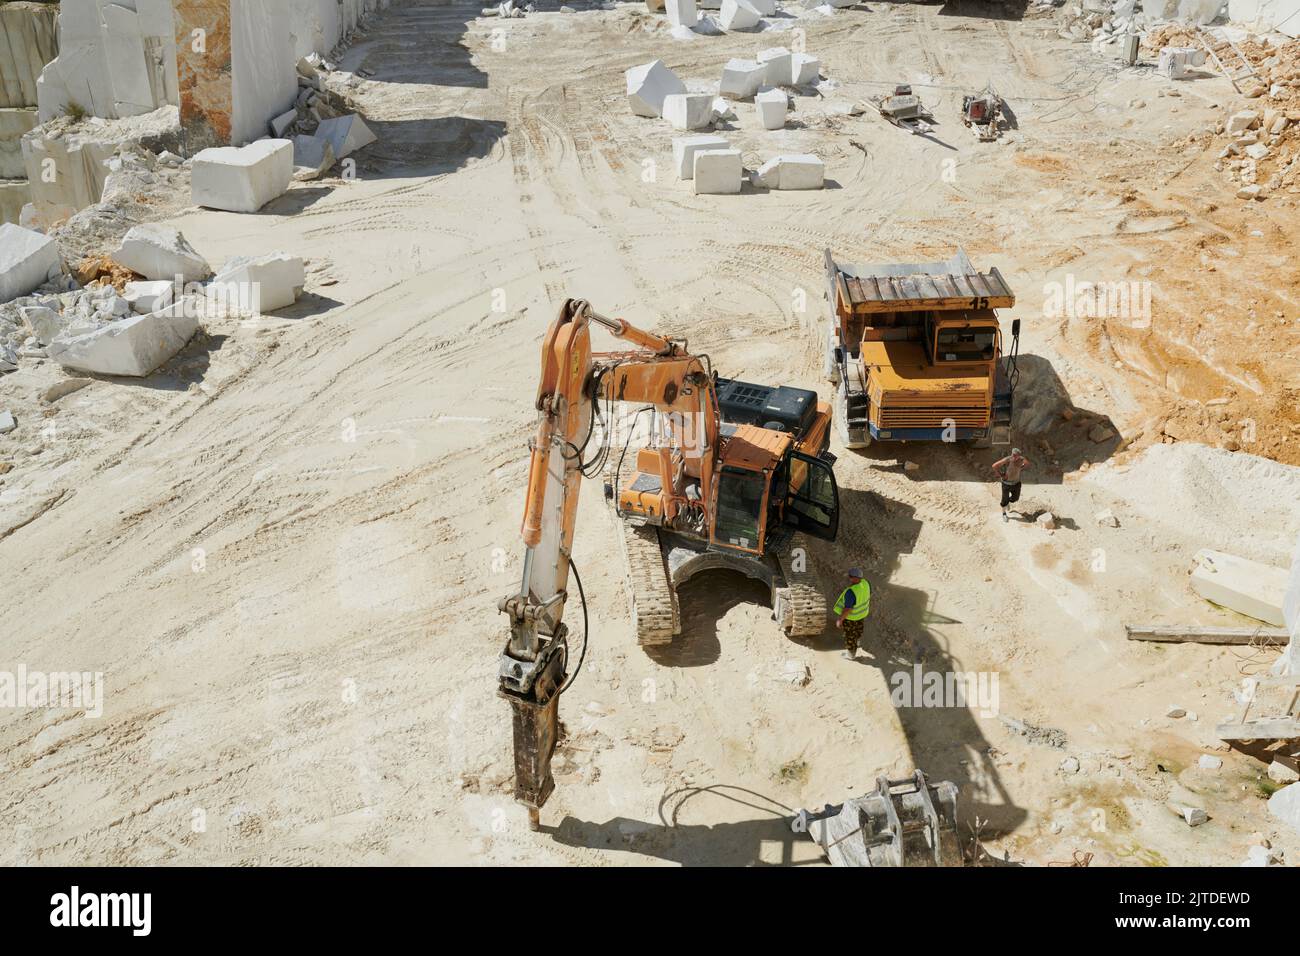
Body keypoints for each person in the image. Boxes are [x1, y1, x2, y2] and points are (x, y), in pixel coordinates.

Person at [833, 568, 871, 660]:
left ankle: (851, 655)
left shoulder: (851, 592)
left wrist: (840, 620)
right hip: (862, 614)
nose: (849, 578)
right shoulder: (866, 583)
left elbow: (847, 609)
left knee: (850, 635)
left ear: (854, 578)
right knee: (858, 630)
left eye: (850, 576)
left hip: (852, 618)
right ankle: (857, 641)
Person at [992, 447, 1032, 521]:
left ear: (1019, 455)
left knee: (1015, 498)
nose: (1014, 456)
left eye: (1016, 455)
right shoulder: (1007, 460)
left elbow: (1027, 464)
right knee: (1004, 500)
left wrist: (1021, 468)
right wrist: (1001, 475)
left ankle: (1008, 502)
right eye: (1013, 454)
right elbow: (994, 466)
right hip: (1006, 484)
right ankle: (1004, 513)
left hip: (1016, 483)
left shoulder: (1021, 459)